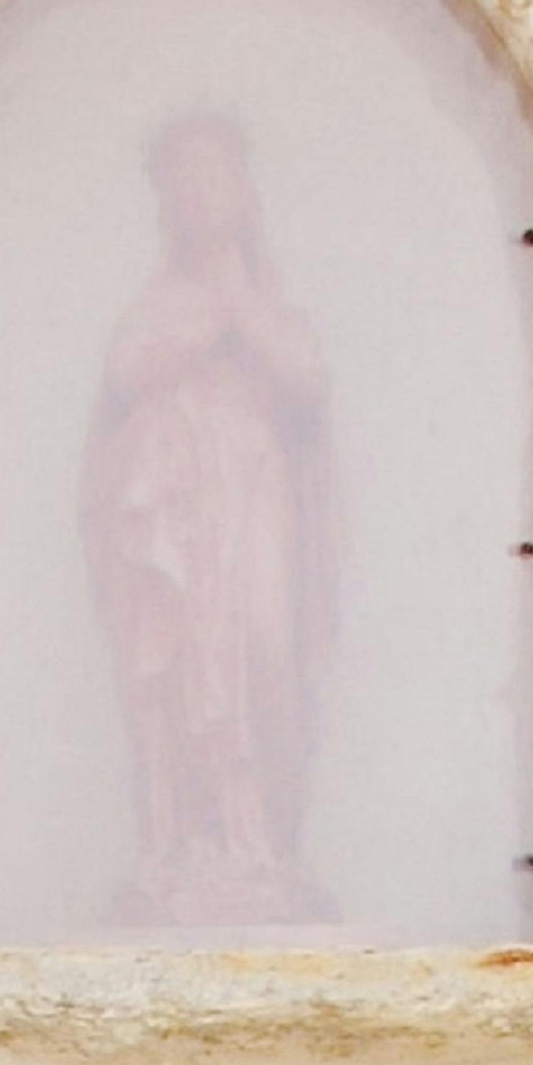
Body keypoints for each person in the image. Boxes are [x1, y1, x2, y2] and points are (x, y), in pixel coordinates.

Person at [81, 108, 337, 926]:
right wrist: (202, 328)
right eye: (184, 177)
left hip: (251, 490)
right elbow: (123, 376)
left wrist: (240, 317)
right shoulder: (164, 302)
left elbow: (307, 381)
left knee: (262, 644)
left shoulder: (266, 301)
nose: (201, 190)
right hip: (173, 509)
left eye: (214, 172)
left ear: (241, 188)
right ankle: (191, 843)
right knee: (177, 663)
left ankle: (261, 844)